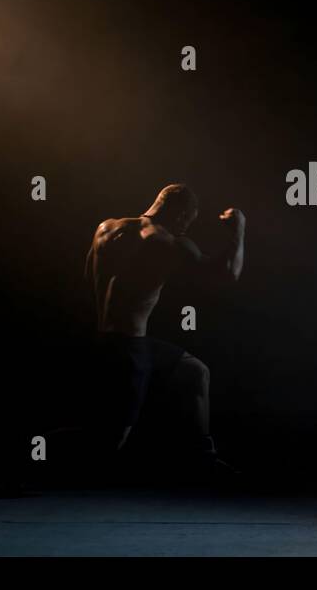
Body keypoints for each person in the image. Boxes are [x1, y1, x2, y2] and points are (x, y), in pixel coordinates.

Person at [83, 183, 246, 474]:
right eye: (188, 222)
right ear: (181, 214)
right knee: (111, 442)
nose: (186, 229)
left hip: (115, 339)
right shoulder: (166, 241)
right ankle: (25, 457)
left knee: (196, 372)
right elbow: (228, 273)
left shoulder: (106, 228)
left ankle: (204, 459)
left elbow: (87, 278)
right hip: (129, 349)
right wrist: (238, 230)